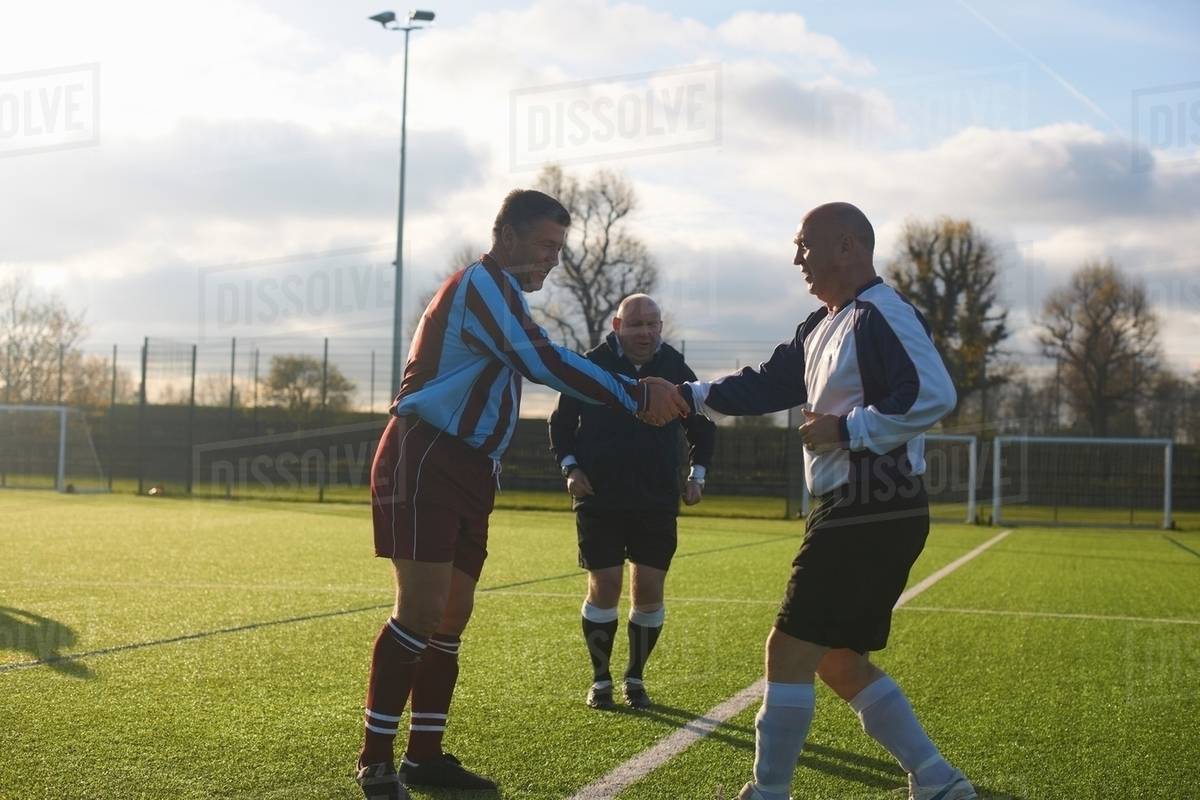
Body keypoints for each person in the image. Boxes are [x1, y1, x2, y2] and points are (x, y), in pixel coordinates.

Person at [355, 189, 689, 800]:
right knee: (422, 610)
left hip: (469, 468)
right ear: (504, 236)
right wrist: (635, 392)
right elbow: (540, 361)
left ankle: (424, 756)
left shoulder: (504, 295)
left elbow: (533, 361)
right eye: (544, 246)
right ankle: (376, 762)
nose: (553, 261)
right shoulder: (479, 286)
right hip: (425, 454)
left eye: (559, 249)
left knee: (451, 617)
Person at [675, 203, 976, 800]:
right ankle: (939, 781)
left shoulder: (882, 313)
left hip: (870, 506)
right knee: (837, 659)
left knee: (788, 648)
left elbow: (936, 392)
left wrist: (848, 430)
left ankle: (768, 793)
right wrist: (689, 393)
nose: (796, 259)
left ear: (846, 246)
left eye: (804, 246)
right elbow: (764, 383)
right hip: (859, 510)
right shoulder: (820, 325)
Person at [548, 294, 716, 711]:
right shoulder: (590, 364)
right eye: (636, 324)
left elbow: (702, 428)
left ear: (661, 327)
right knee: (605, 585)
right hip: (599, 497)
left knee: (650, 590)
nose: (645, 332)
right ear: (617, 325)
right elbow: (562, 423)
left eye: (652, 324)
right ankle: (600, 678)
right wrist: (571, 468)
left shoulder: (676, 369)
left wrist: (697, 475)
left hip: (656, 499)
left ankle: (635, 677)